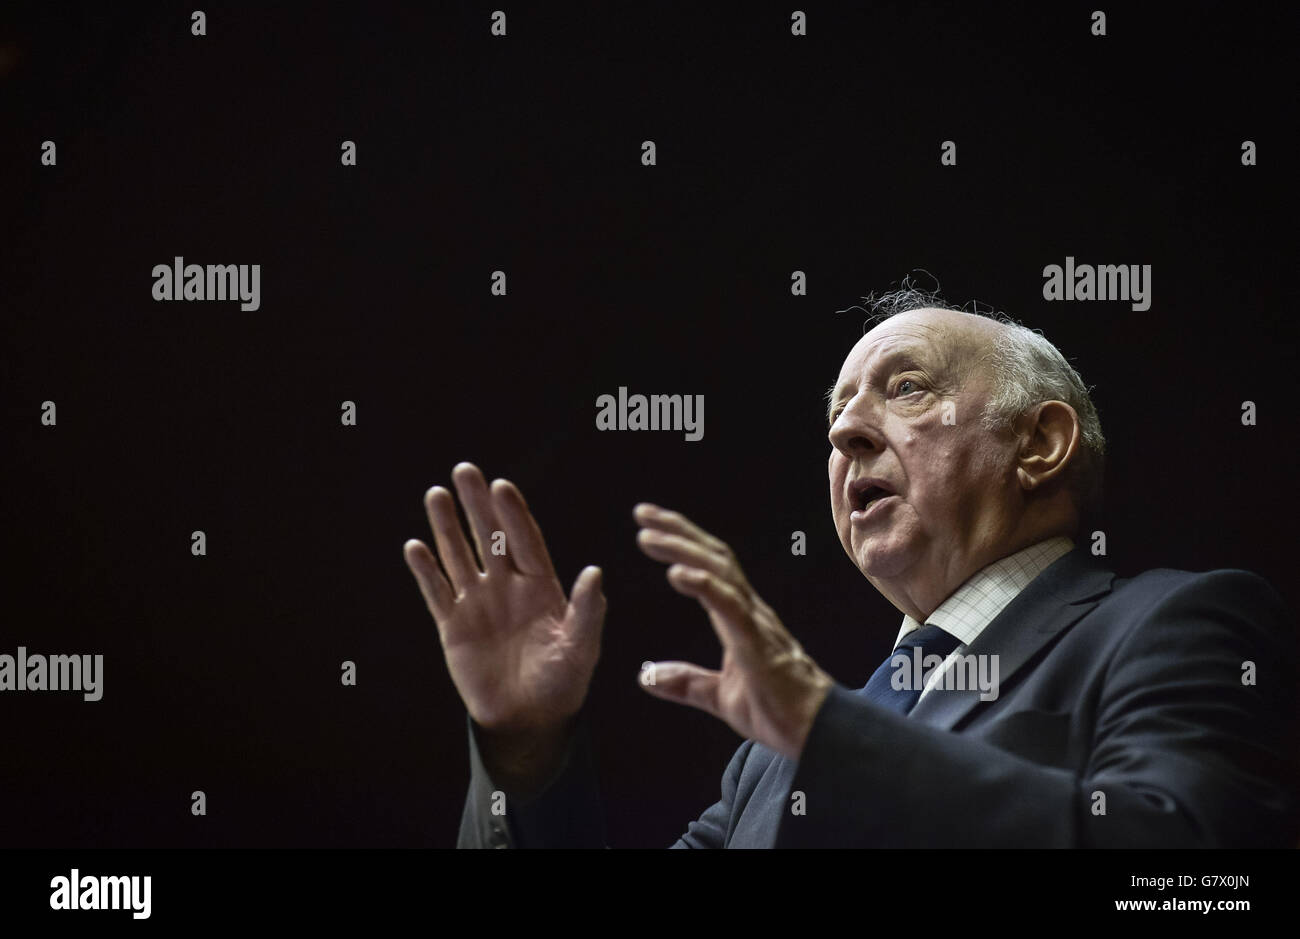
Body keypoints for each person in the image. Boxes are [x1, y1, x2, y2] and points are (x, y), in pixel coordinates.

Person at [402, 291, 1298, 847]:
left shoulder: (1172, 625)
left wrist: (833, 734)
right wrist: (524, 748)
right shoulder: (767, 758)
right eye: (837, 411)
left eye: (904, 387)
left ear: (1041, 444)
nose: (845, 432)